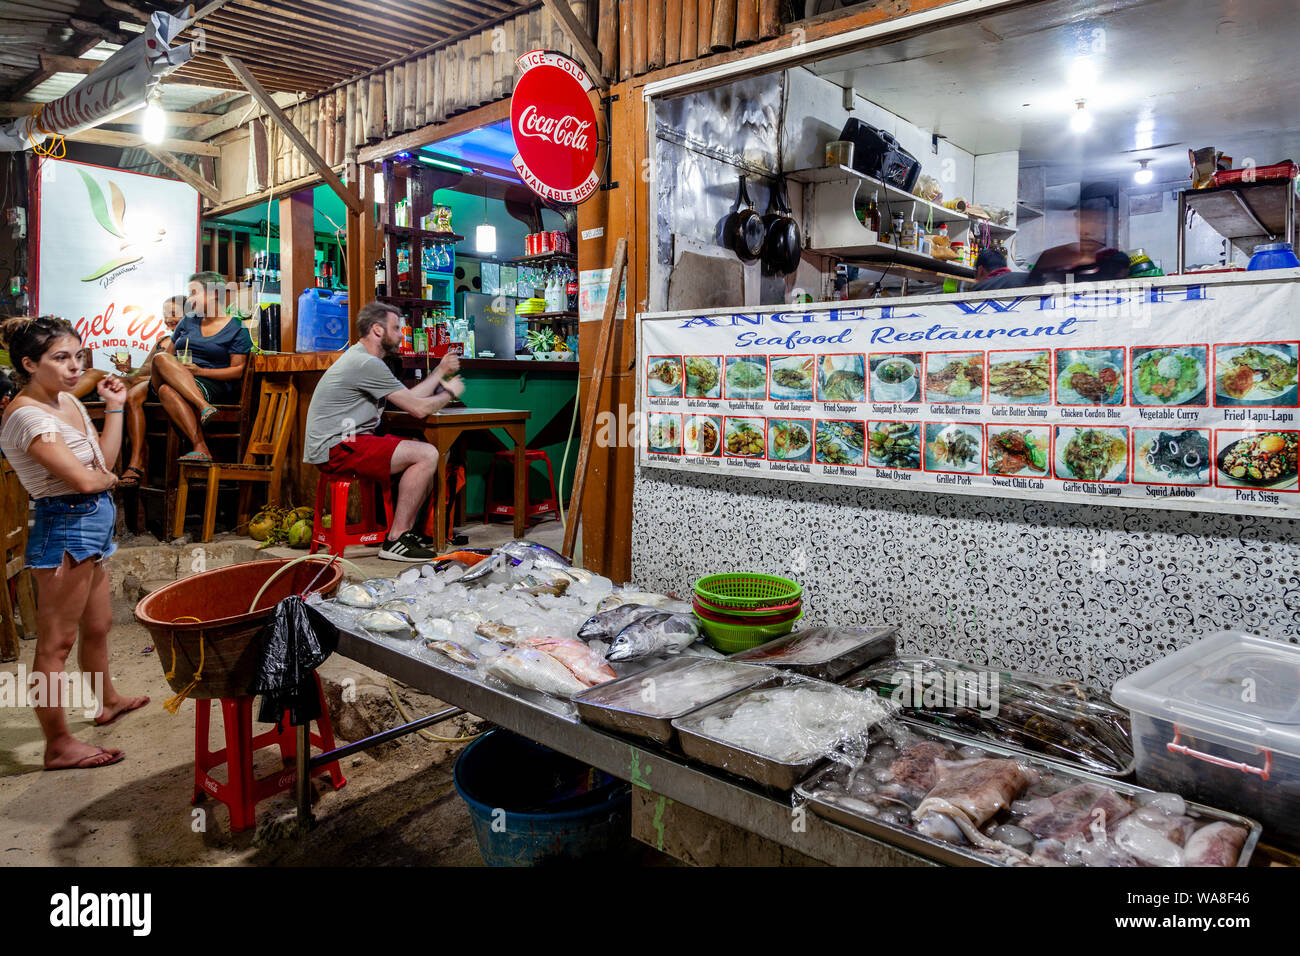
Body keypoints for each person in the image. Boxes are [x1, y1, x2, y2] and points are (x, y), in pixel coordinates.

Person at [0, 315, 150, 770]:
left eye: (77, 357)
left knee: (99, 625)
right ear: (28, 363)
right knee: (55, 645)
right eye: (60, 358)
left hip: (92, 524)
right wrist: (102, 479)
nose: (73, 367)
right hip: (65, 525)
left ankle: (106, 702)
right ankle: (58, 743)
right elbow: (84, 481)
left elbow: (103, 461)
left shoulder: (67, 401)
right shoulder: (26, 415)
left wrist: (117, 407)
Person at [303, 301, 465, 562]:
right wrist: (449, 393)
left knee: (422, 450)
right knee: (426, 454)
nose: (401, 334)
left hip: (344, 443)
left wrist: (439, 372)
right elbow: (419, 409)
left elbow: (409, 398)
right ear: (377, 330)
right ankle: (397, 538)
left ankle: (404, 533)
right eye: (396, 328)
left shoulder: (364, 360)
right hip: (338, 447)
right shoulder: (367, 364)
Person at [73, 293, 185, 487]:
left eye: (174, 313)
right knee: (92, 373)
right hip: (136, 381)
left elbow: (168, 373)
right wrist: (128, 370)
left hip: (153, 386)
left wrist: (136, 378)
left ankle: (136, 461)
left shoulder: (184, 341)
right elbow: (142, 370)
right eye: (166, 314)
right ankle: (56, 402)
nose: (169, 318)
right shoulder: (162, 339)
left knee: (122, 387)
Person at [152, 272, 251, 462]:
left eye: (193, 293)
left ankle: (200, 446)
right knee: (162, 358)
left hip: (211, 383)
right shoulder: (188, 320)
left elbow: (237, 370)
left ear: (214, 293)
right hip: (177, 376)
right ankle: (204, 406)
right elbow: (169, 355)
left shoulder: (237, 328)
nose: (189, 300)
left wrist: (199, 371)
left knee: (166, 390)